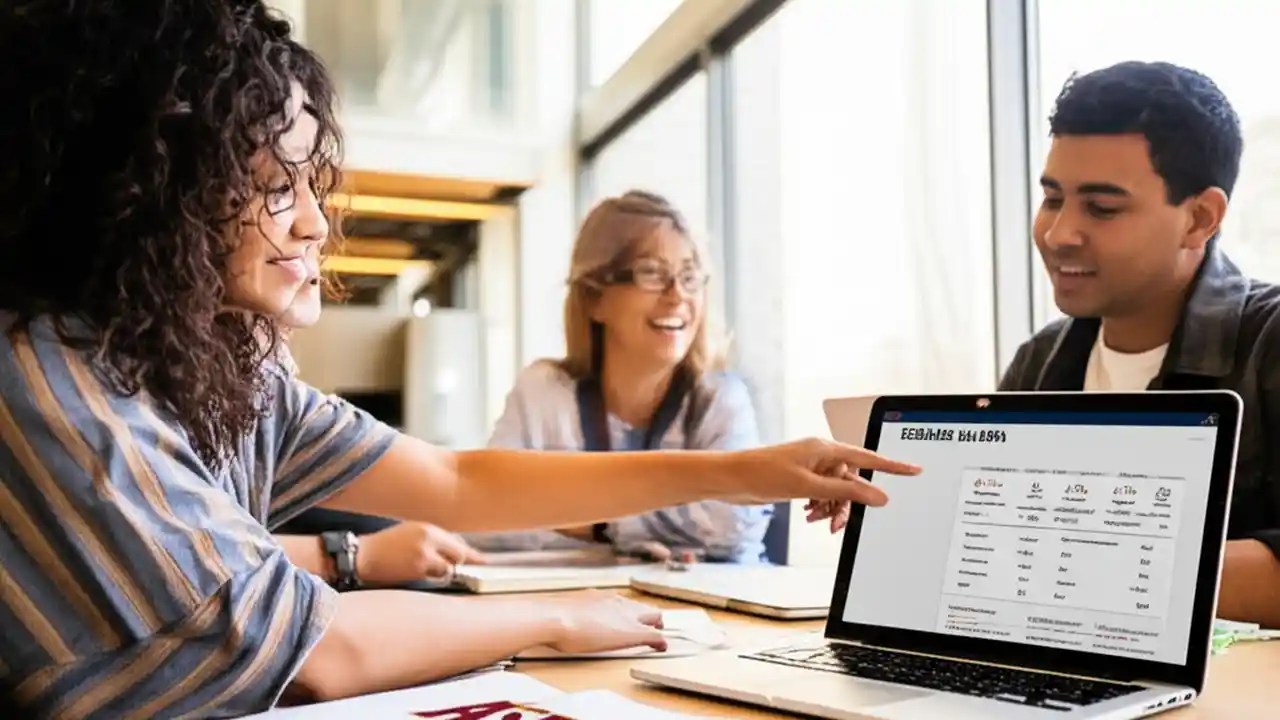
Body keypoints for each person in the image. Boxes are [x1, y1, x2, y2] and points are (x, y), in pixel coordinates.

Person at [0, 3, 919, 717]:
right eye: (277, 189)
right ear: (152, 200)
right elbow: (319, 653)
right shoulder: (50, 382)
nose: (317, 224)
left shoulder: (215, 369)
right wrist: (554, 618)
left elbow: (453, 478)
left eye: (309, 186)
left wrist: (747, 470)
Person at [999, 61, 1280, 627]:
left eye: (1102, 208)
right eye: (1053, 199)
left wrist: (1069, 571)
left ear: (1200, 218)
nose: (1058, 234)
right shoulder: (1040, 361)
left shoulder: (1269, 342)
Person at [465, 191, 776, 563]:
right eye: (652, 273)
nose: (677, 295)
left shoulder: (720, 398)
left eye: (689, 276)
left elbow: (731, 528)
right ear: (595, 298)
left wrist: (567, 513)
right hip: (577, 607)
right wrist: (613, 526)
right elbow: (482, 515)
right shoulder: (542, 390)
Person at [271, 268, 486, 589]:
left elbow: (452, 478)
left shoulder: (277, 398)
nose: (317, 229)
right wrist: (357, 556)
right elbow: (203, 559)